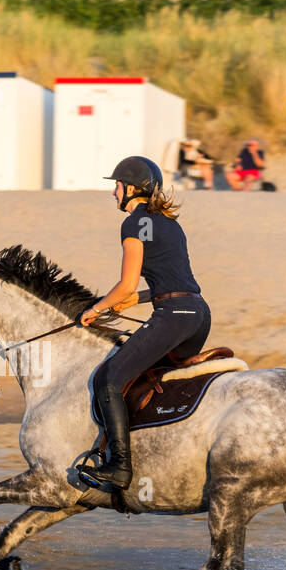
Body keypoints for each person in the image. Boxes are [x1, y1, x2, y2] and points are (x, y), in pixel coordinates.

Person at [76, 156, 211, 491]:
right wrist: (136, 301)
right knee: (146, 376)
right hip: (198, 314)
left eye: (117, 186)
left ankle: (120, 467)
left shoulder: (134, 223)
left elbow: (126, 284)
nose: (113, 193)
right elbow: (173, 281)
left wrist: (96, 309)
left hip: (174, 317)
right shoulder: (169, 222)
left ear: (132, 188)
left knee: (108, 379)